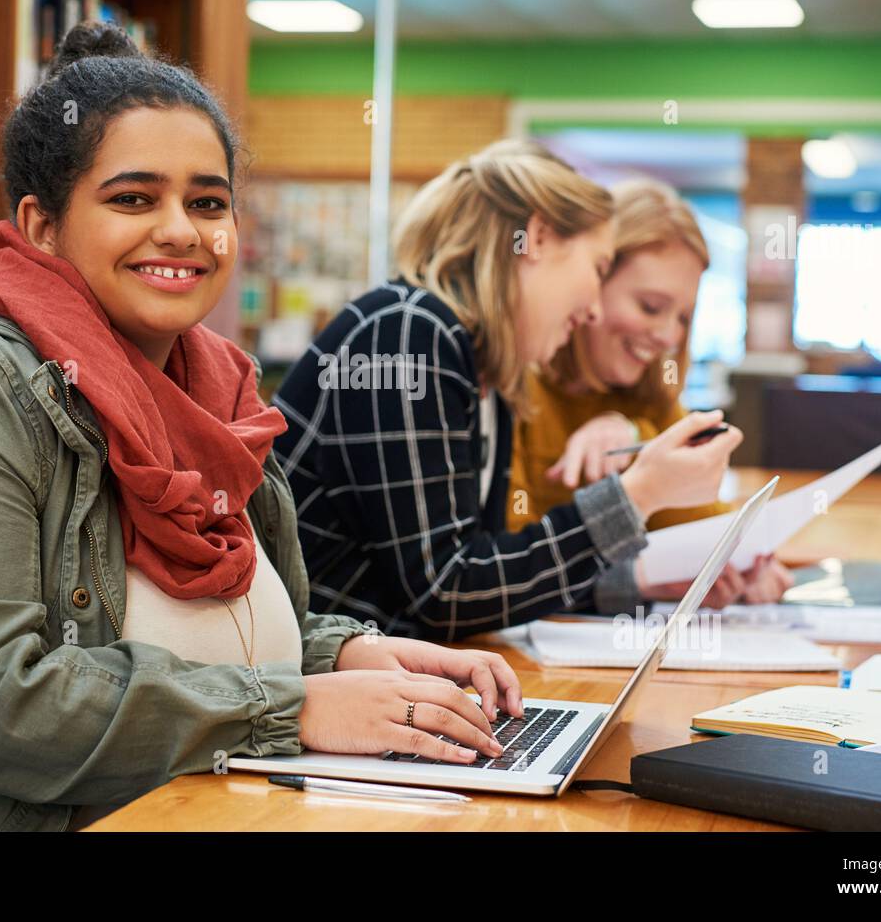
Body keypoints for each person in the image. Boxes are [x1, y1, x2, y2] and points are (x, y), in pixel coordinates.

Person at [0, 24, 525, 834]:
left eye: (208, 202)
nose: (181, 229)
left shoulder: (217, 395)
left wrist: (347, 656)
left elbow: (195, 628)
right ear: (41, 227)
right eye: (133, 198)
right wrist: (297, 705)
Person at [273, 140, 744, 642]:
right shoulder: (408, 330)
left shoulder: (486, 373)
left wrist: (638, 569)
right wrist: (635, 495)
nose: (591, 310)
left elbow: (492, 574)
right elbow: (446, 596)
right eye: (599, 269)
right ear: (537, 239)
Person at [508, 178, 793, 605]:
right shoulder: (515, 388)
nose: (666, 335)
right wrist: (633, 580)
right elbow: (505, 573)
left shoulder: (653, 399)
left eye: (682, 317)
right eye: (650, 307)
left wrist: (748, 564)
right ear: (591, 282)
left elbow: (704, 531)